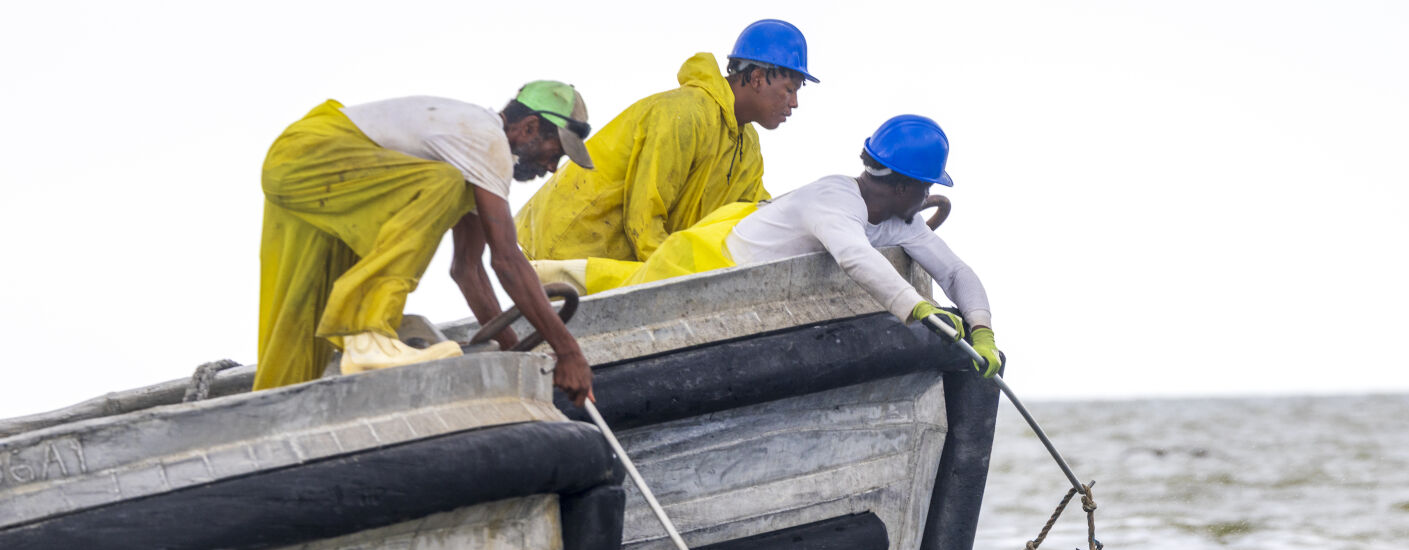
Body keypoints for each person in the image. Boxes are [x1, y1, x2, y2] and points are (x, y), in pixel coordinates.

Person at [536, 114, 1003, 380]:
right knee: (610, 288)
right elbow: (854, 257)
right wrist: (918, 309)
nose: (929, 200)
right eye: (927, 189)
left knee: (611, 285)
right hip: (705, 261)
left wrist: (981, 329)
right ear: (906, 188)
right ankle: (532, 277)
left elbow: (956, 273)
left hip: (745, 261)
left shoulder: (901, 221)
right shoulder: (833, 202)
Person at [256, 82, 596, 403]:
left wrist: (517, 355)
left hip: (303, 168)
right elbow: (506, 260)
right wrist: (569, 353)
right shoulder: (488, 142)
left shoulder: (470, 155)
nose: (553, 168)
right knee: (443, 182)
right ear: (530, 128)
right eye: (557, 152)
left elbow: (469, 271)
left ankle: (269, 409)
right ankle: (367, 332)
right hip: (314, 153)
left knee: (305, 310)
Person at [515, 19, 814, 265]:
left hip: (608, 264)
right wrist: (677, 284)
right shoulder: (685, 113)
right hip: (563, 249)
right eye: (790, 89)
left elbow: (755, 217)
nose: (795, 103)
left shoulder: (746, 146)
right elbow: (643, 223)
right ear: (759, 77)